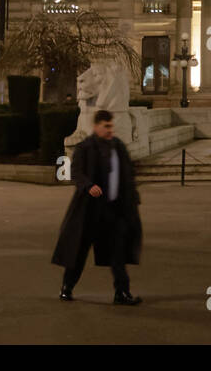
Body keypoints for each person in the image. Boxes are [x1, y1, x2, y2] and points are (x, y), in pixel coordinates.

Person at [51, 109, 143, 305]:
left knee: (118, 253)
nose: (110, 130)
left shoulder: (118, 146)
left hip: (114, 209)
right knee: (80, 251)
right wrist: (88, 186)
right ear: (96, 127)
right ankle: (67, 287)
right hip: (89, 210)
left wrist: (133, 198)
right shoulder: (85, 147)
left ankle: (122, 292)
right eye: (106, 126)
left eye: (111, 126)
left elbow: (128, 174)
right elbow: (75, 172)